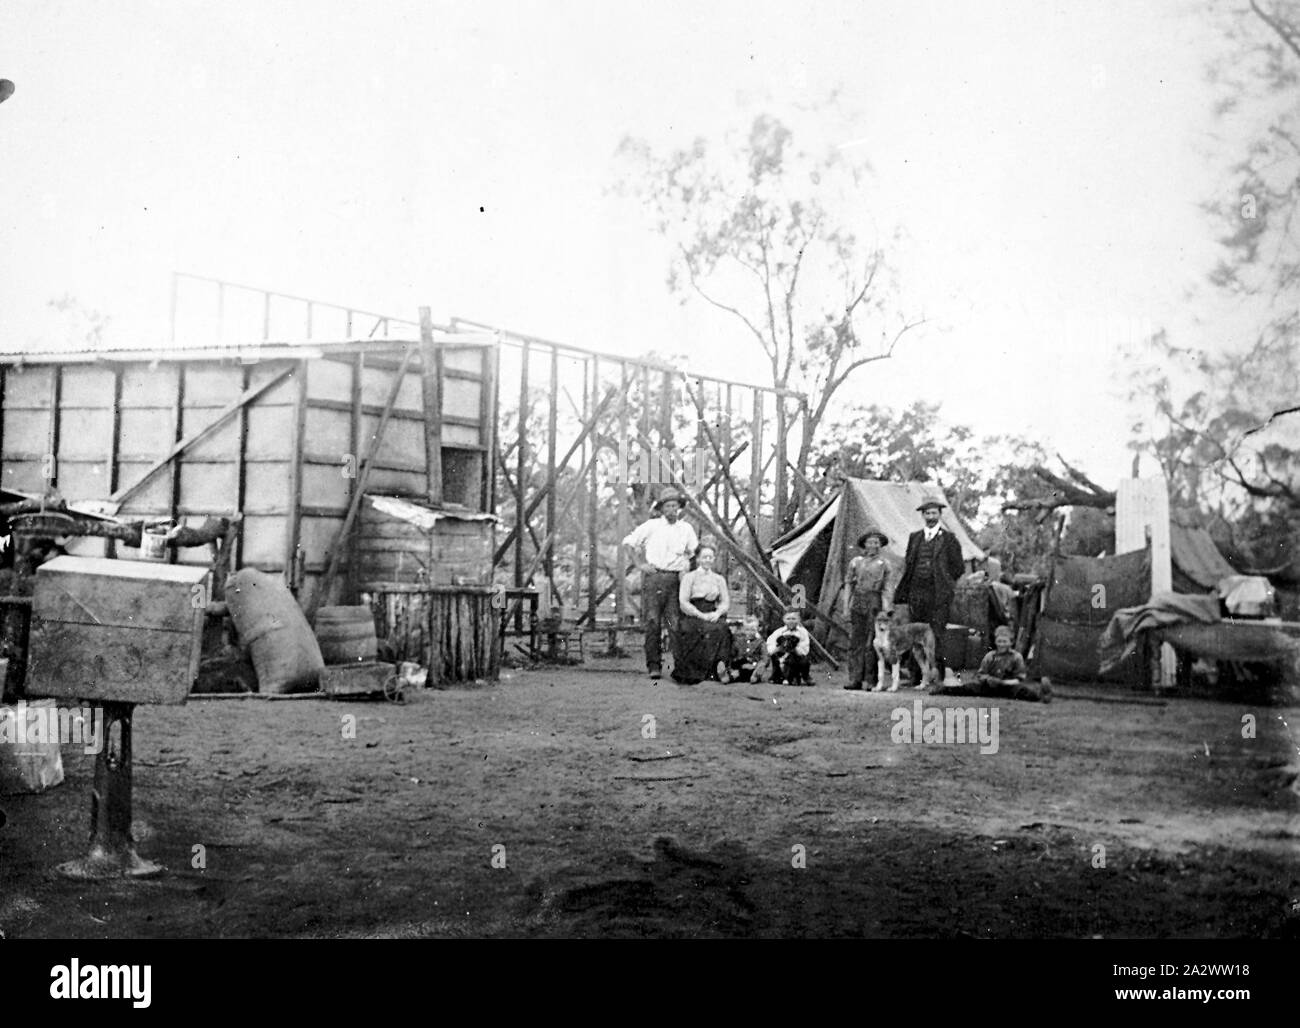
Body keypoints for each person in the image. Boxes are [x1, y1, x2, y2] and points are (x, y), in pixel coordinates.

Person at [622, 490, 698, 680]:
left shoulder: (686, 529)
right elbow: (628, 543)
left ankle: (680, 668)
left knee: (675, 624)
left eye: (674, 506)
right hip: (654, 578)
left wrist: (685, 568)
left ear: (679, 508)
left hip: (675, 580)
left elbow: (692, 552)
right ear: (662, 509)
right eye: (668, 506)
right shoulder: (651, 526)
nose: (672, 510)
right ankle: (654, 666)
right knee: (653, 622)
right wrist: (640, 565)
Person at [893, 498, 965, 685]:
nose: (931, 517)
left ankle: (937, 677)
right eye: (927, 513)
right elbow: (909, 563)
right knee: (913, 634)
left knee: (936, 634)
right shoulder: (914, 537)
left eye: (934, 513)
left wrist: (945, 583)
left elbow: (958, 567)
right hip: (916, 594)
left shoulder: (949, 539)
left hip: (938, 595)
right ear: (923, 516)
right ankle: (916, 677)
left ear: (940, 515)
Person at [932, 625, 1051, 702]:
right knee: (968, 688)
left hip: (1007, 687)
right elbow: (981, 674)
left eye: (1005, 642)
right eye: (999, 641)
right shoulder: (990, 656)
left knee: (1023, 692)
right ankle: (941, 689)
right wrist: (988, 679)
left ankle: (1041, 695)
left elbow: (1019, 678)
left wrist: (1004, 682)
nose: (1002, 644)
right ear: (995, 642)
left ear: (1011, 643)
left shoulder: (1016, 657)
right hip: (989, 687)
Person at [672, 544, 732, 684]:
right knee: (693, 629)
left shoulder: (719, 579)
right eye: (704, 557)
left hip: (712, 613)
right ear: (698, 559)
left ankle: (717, 670)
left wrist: (717, 613)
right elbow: (683, 602)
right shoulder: (689, 577)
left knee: (722, 629)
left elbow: (725, 602)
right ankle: (695, 673)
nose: (708, 560)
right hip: (693, 614)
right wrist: (700, 614)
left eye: (711, 557)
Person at [842, 527, 891, 691]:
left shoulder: (884, 563)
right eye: (870, 542)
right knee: (856, 641)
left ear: (880, 545)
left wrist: (885, 608)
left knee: (872, 642)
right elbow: (849, 583)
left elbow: (887, 588)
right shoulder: (856, 562)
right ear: (864, 544)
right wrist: (846, 607)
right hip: (858, 600)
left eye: (876, 542)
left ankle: (871, 680)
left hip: (874, 601)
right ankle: (854, 679)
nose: (873, 545)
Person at [765, 606, 812, 686]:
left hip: (796, 656)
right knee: (775, 657)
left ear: (799, 620)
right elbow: (770, 644)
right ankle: (777, 676)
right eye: (788, 619)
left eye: (794, 619)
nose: (791, 621)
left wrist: (794, 648)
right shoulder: (779, 632)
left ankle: (803, 676)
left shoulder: (802, 632)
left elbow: (804, 649)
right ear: (784, 619)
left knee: (803, 660)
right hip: (781, 653)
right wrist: (777, 649)